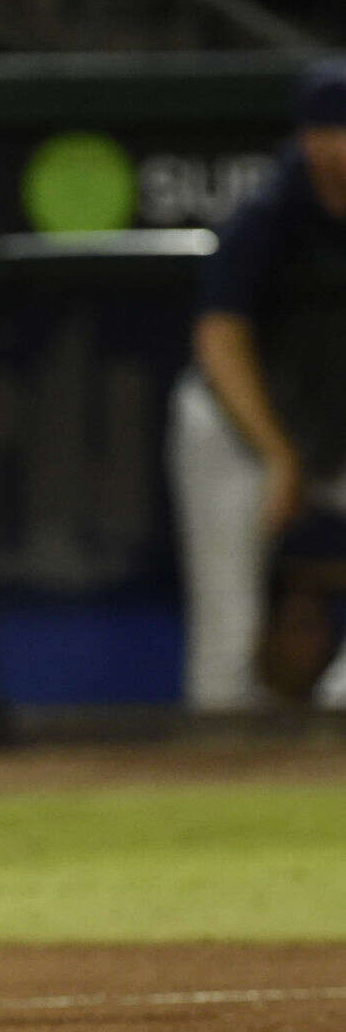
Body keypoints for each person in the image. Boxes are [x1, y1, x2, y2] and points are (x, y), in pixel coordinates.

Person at [167, 58, 346, 713]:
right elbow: (219, 339)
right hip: (238, 424)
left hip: (334, 422)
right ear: (308, 140)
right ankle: (215, 763)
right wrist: (279, 455)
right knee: (228, 623)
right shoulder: (269, 211)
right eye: (333, 131)